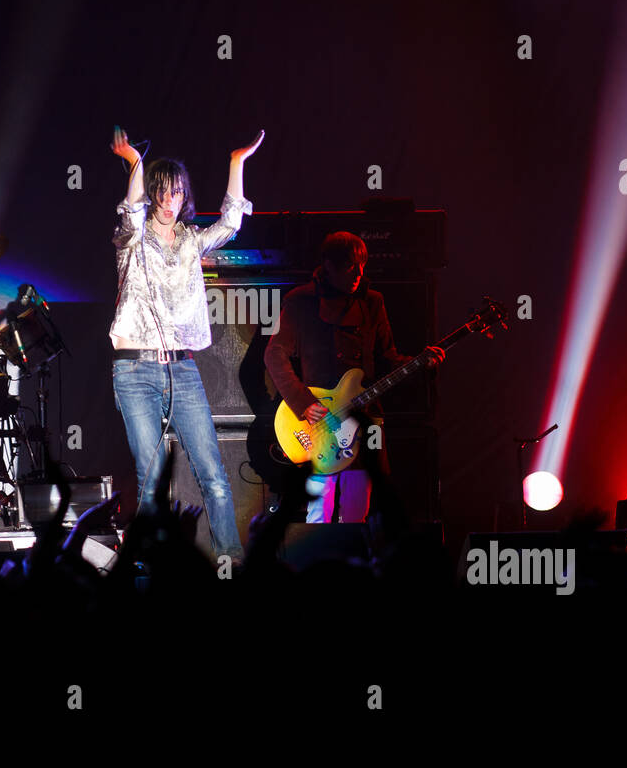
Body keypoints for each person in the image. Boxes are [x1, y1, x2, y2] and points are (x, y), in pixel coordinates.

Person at [109, 125, 264, 563]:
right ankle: (149, 564)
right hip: (134, 370)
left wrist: (237, 162)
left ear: (184, 196)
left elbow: (231, 221)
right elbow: (131, 210)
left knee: (212, 472)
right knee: (150, 477)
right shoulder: (132, 240)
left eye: (176, 193)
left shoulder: (194, 242)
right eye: (160, 192)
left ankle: (229, 561)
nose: (168, 201)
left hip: (182, 369)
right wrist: (135, 163)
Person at [264, 230, 445, 524]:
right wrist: (302, 402)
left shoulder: (373, 301)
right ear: (329, 266)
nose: (359, 274)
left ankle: (352, 568)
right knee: (318, 513)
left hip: (365, 419)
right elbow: (274, 354)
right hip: (321, 420)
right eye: (350, 267)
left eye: (362, 265)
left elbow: (388, 357)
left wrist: (420, 363)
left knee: (357, 510)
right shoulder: (302, 301)